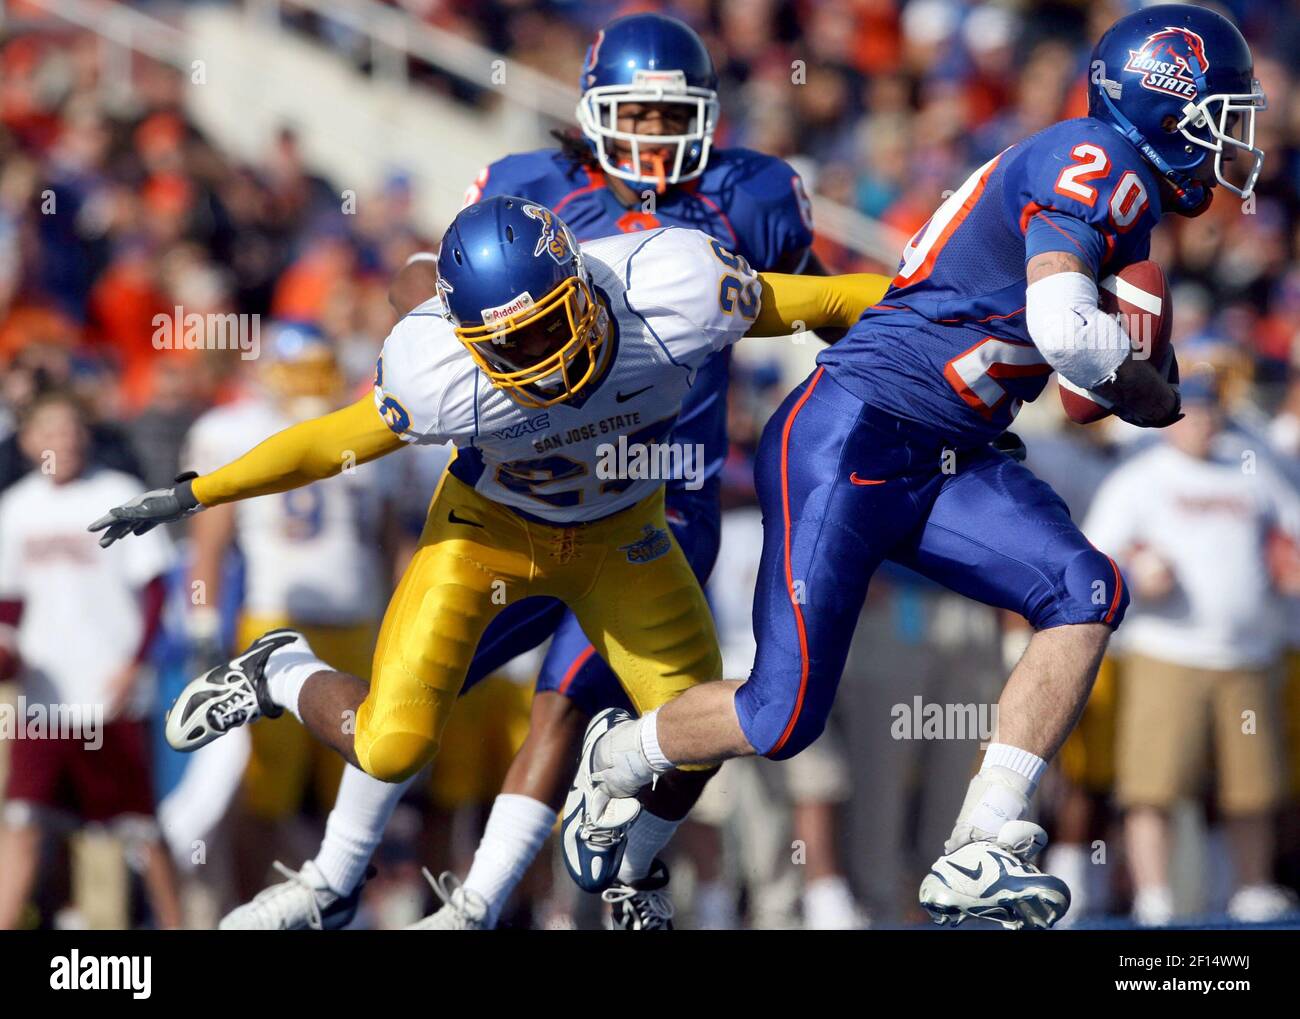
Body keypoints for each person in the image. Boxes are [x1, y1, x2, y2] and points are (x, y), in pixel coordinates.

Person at [567, 4, 1264, 930]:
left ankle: (981, 842)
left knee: (1086, 588)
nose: (1229, 140)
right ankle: (620, 753)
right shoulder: (1095, 160)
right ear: (1161, 102)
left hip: (947, 451)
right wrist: (1139, 383)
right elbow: (1064, 333)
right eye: (1215, 112)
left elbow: (1066, 383)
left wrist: (1118, 371)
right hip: (851, 435)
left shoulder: (1117, 196)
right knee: (782, 718)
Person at [88, 195, 891, 929]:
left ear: (581, 283)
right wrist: (200, 492)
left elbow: (826, 298)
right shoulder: (434, 370)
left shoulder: (674, 287)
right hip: (485, 536)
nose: (541, 357)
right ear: (465, 337)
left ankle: (634, 871)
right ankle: (280, 671)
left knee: (697, 734)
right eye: (511, 342)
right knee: (390, 746)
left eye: (550, 323)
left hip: (621, 537)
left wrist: (945, 351)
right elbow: (331, 442)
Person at [222, 11, 836, 931]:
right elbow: (431, 277)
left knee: (568, 698)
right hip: (514, 493)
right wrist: (433, 320)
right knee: (420, 693)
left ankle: (484, 902)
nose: (659, 141)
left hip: (660, 496)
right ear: (592, 110)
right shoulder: (531, 184)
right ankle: (333, 878)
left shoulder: (754, 197)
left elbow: (819, 303)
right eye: (640, 116)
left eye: (677, 120)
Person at [183, 324, 399, 900]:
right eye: (299, 368)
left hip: (354, 622)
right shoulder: (235, 429)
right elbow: (210, 538)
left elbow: (386, 543)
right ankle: (248, 904)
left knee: (361, 781)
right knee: (264, 790)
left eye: (318, 367)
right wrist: (205, 624)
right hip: (275, 626)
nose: (311, 382)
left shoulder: (368, 429)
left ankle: (338, 906)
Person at [1085, 372, 1300, 924]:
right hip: (1167, 652)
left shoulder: (1248, 467)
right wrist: (1135, 574)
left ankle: (1252, 887)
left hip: (1248, 655)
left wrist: (1288, 563)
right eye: (1190, 413)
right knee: (1151, 782)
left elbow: (1292, 531)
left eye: (1208, 411)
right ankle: (1154, 896)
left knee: (1254, 786)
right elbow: (1093, 562)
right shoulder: (1139, 479)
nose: (1201, 421)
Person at [0, 392, 181, 929]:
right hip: (43, 700)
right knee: (23, 822)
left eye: (72, 429)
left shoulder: (120, 494)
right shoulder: (15, 507)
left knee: (140, 829)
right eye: (50, 430)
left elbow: (154, 588)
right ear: (29, 442)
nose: (64, 441)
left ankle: (176, 924)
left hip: (110, 692)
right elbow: (10, 602)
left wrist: (136, 664)